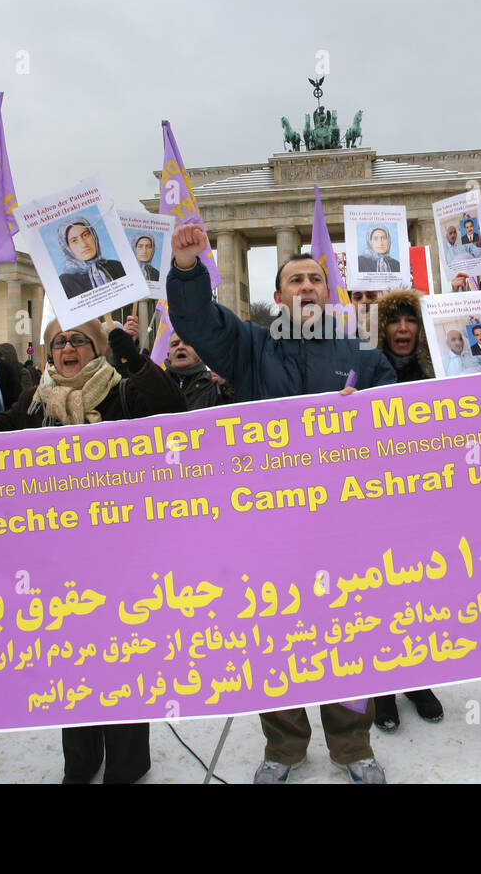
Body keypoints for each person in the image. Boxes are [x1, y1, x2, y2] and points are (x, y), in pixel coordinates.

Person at [167, 224, 395, 783]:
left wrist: (365, 408)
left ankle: (351, 746)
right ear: (279, 295)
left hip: (344, 521)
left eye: (317, 278)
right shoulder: (250, 344)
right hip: (269, 526)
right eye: (296, 279)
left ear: (329, 290)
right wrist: (187, 269)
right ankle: (284, 747)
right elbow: (196, 321)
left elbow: (400, 408)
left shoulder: (360, 347)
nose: (309, 286)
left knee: (346, 632)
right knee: (275, 635)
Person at [0, 316, 186, 784]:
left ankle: (126, 763)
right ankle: (79, 763)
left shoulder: (123, 393)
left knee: (120, 660)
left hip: (121, 555)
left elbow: (172, 411)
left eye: (79, 340)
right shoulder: (35, 403)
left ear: (97, 350)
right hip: (55, 560)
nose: (67, 348)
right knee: (70, 664)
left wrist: (135, 360)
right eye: (59, 341)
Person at [368, 289, 444, 731]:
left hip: (426, 500)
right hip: (376, 502)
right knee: (381, 593)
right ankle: (383, 688)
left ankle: (418, 678)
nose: (402, 329)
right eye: (394, 321)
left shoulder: (439, 371)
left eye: (409, 321)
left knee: (423, 593)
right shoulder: (363, 368)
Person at [58, 218, 126, 299]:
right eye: (74, 241)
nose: (83, 244)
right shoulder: (65, 282)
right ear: (67, 248)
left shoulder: (117, 266)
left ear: (94, 236)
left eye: (85, 235)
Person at [165, 333, 234, 410]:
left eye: (187, 343)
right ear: (168, 355)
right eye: (175, 344)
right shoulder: (158, 383)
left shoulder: (214, 383)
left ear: (198, 353)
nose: (180, 347)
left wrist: (225, 386)